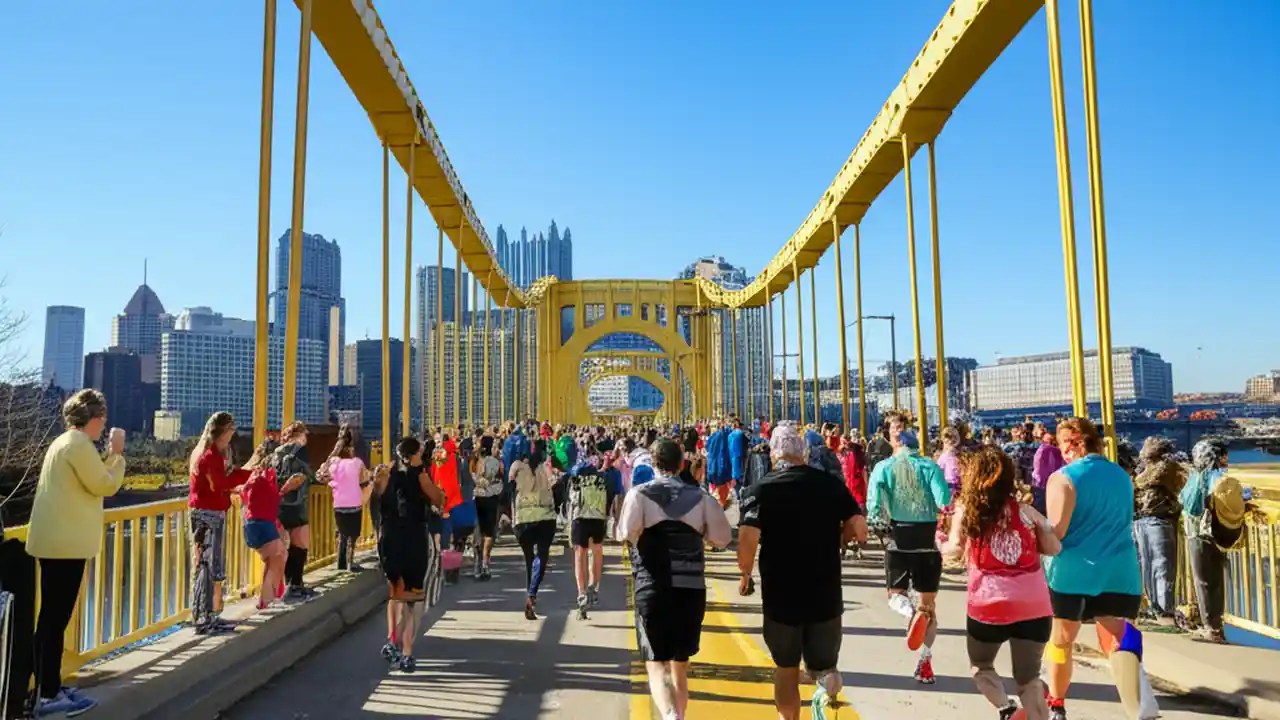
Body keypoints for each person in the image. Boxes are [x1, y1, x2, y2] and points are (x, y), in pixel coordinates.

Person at [737, 423, 866, 720]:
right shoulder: (830, 485)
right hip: (826, 595)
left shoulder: (761, 490)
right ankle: (826, 690)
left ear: (773, 455)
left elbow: (747, 540)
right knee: (825, 667)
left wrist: (745, 574)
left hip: (782, 598)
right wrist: (845, 535)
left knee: (785, 668)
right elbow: (859, 529)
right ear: (804, 454)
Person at [24, 389, 124, 717]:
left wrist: (108, 458)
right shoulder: (79, 444)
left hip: (53, 541)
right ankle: (50, 696)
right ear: (94, 419)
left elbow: (92, 481)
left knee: (49, 618)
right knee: (55, 620)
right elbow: (104, 485)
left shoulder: (63, 442)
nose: (103, 425)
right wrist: (117, 455)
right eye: (102, 420)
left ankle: (46, 686)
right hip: (66, 545)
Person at [940, 446, 1060, 720]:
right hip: (1034, 606)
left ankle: (1007, 709)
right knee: (1028, 678)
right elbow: (1054, 548)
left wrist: (939, 545)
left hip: (989, 605)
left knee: (981, 666)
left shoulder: (968, 511)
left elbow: (954, 550)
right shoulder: (1027, 512)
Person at [617, 438, 733, 720]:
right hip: (690, 588)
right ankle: (678, 713)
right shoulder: (701, 498)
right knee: (681, 664)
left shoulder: (640, 495)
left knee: (656, 664)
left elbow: (625, 532)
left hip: (652, 586)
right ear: (682, 464)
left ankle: (670, 714)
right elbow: (722, 537)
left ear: (652, 463)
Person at [1043, 417, 1143, 720]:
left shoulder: (1063, 478)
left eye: (1062, 445)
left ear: (1073, 444)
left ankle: (1057, 704)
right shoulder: (1121, 476)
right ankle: (1138, 698)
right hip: (1119, 570)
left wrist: (1034, 531)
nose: (1061, 453)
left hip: (1073, 573)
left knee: (1061, 639)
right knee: (1120, 633)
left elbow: (1056, 533)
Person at [866, 411, 951, 684]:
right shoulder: (930, 466)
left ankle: (910, 612)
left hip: (899, 536)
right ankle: (925, 663)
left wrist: (876, 525)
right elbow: (944, 502)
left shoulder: (883, 468)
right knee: (930, 606)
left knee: (896, 596)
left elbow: (874, 507)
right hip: (926, 539)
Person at [375, 437, 444, 673]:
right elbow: (438, 498)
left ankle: (390, 639)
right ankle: (406, 653)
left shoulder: (386, 474)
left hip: (389, 539)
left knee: (395, 593)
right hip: (413, 538)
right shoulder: (420, 475)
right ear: (415, 454)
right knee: (413, 599)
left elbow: (375, 500)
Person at [186, 412, 250, 634]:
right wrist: (242, 480)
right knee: (205, 566)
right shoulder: (209, 457)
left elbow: (226, 479)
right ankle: (202, 618)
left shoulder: (215, 455)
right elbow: (219, 484)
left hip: (213, 514)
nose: (233, 433)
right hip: (206, 516)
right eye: (231, 429)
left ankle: (211, 614)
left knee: (213, 566)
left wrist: (249, 475)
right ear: (223, 431)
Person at [1179, 437, 1241, 643]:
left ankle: (1211, 627)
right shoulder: (1221, 477)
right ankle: (1217, 625)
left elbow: (1189, 506)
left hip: (1197, 533)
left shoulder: (1196, 477)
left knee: (1203, 580)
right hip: (1218, 533)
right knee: (1216, 581)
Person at [239, 440, 306, 610]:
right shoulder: (260, 476)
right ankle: (267, 601)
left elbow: (269, 500)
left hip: (257, 523)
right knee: (279, 555)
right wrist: (285, 489)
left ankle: (268, 599)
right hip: (259, 523)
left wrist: (284, 489)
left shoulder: (263, 475)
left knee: (274, 559)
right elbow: (264, 497)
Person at [1132, 436, 1185, 624]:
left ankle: (1156, 608)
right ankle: (1165, 612)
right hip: (1160, 520)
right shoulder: (1167, 467)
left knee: (1147, 565)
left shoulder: (1139, 471)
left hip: (1139, 520)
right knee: (1163, 566)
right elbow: (1179, 486)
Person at [512, 440, 559, 620]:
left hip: (523, 519)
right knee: (541, 556)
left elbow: (509, 482)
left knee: (528, 558)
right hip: (545, 518)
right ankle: (532, 594)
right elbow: (555, 482)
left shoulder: (517, 466)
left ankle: (530, 592)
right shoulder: (546, 466)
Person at [272, 422, 318, 601]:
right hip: (297, 504)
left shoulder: (275, 454)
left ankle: (284, 587)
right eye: (304, 435)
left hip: (279, 504)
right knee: (300, 545)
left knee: (285, 547)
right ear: (299, 435)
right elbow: (308, 474)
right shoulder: (299, 450)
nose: (306, 439)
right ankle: (296, 585)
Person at [319, 425, 371, 573]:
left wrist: (331, 483)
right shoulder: (357, 463)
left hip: (339, 502)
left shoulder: (334, 462)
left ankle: (340, 562)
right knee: (353, 534)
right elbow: (364, 480)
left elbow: (320, 474)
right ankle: (350, 562)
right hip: (354, 502)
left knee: (342, 533)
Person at [567, 461, 609, 619]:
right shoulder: (601, 480)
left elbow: (570, 502)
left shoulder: (575, 480)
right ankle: (594, 586)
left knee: (580, 554)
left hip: (580, 518)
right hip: (598, 518)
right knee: (597, 550)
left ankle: (581, 592)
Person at [471, 437, 504, 581]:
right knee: (489, 533)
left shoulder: (474, 461)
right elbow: (502, 477)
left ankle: (476, 565)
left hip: (477, 497)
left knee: (478, 530)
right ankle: (485, 563)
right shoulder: (496, 462)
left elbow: (470, 476)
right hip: (492, 497)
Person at [1032, 427, 1065, 514]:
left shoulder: (1041, 450)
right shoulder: (1059, 451)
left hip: (1041, 486)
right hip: (1054, 486)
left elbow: (1037, 470)